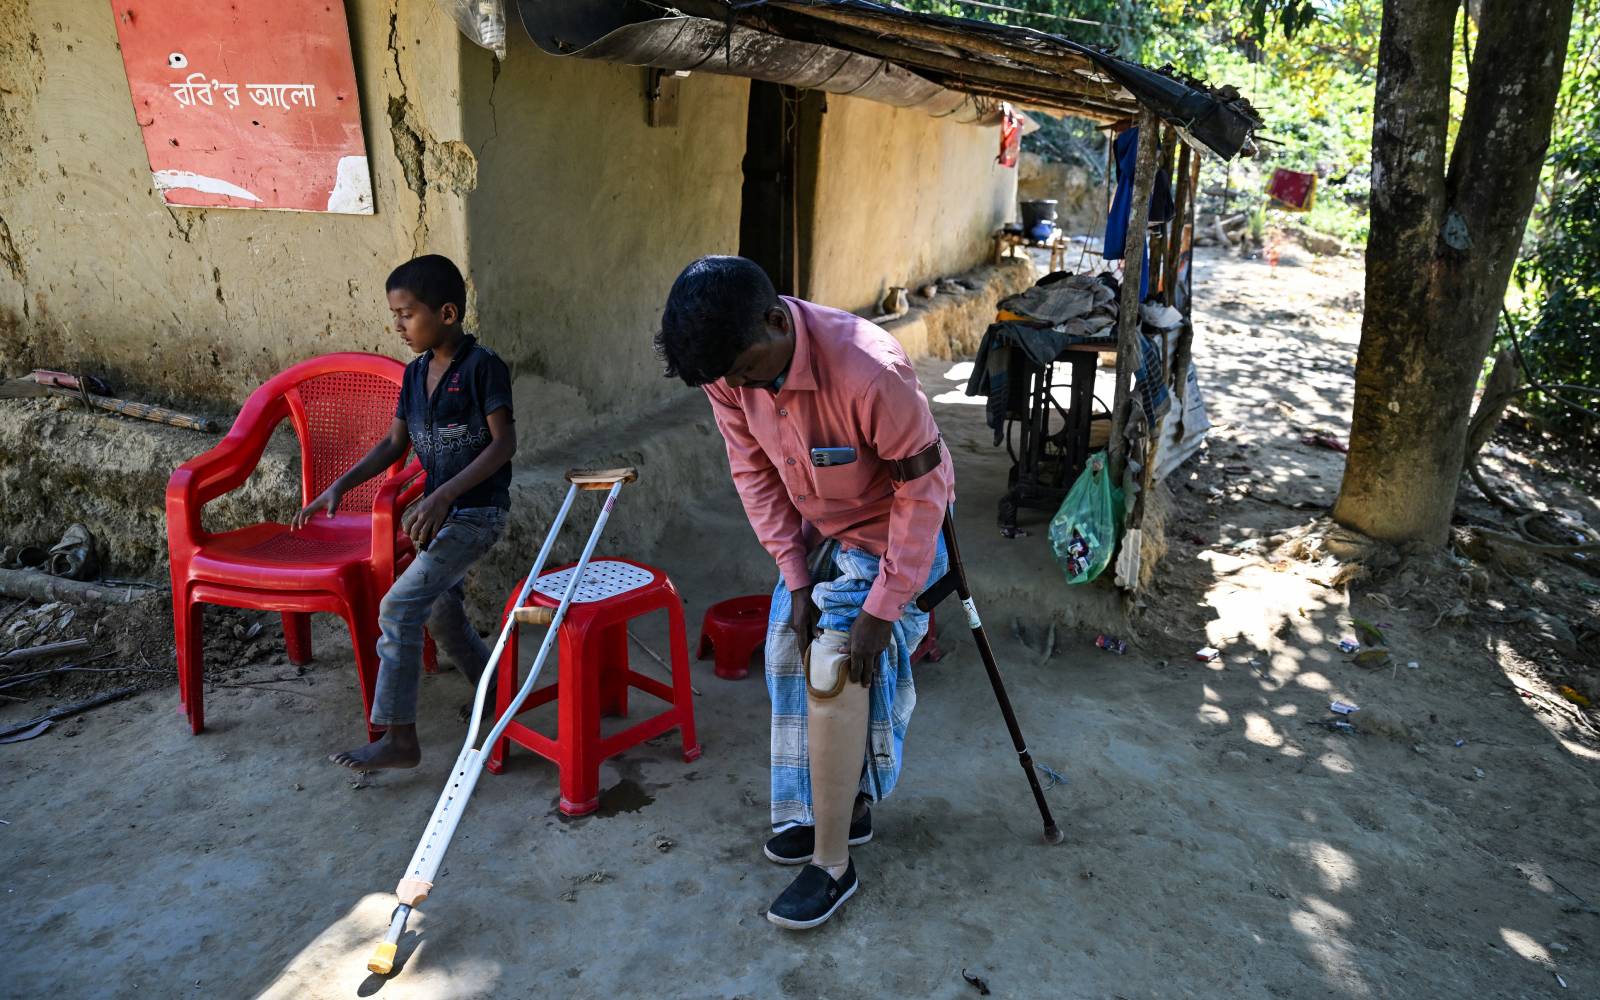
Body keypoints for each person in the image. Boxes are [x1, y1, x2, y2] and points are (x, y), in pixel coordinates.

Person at [656, 256, 952, 929]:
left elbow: (924, 492)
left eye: (743, 370)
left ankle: (832, 864)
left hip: (906, 534)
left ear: (773, 321)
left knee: (837, 661)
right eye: (725, 378)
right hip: (829, 534)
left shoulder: (869, 369)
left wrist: (884, 606)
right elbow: (752, 472)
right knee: (788, 644)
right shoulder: (729, 371)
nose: (737, 387)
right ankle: (836, 805)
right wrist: (793, 574)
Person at [293, 254, 516, 770]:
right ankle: (499, 687)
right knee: (439, 611)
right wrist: (341, 484)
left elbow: (503, 444)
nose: (398, 325)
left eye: (407, 314)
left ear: (447, 313)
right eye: (393, 314)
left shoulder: (485, 369)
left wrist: (440, 496)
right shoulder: (416, 375)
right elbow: (395, 443)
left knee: (397, 608)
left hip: (477, 513)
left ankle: (399, 738)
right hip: (439, 516)